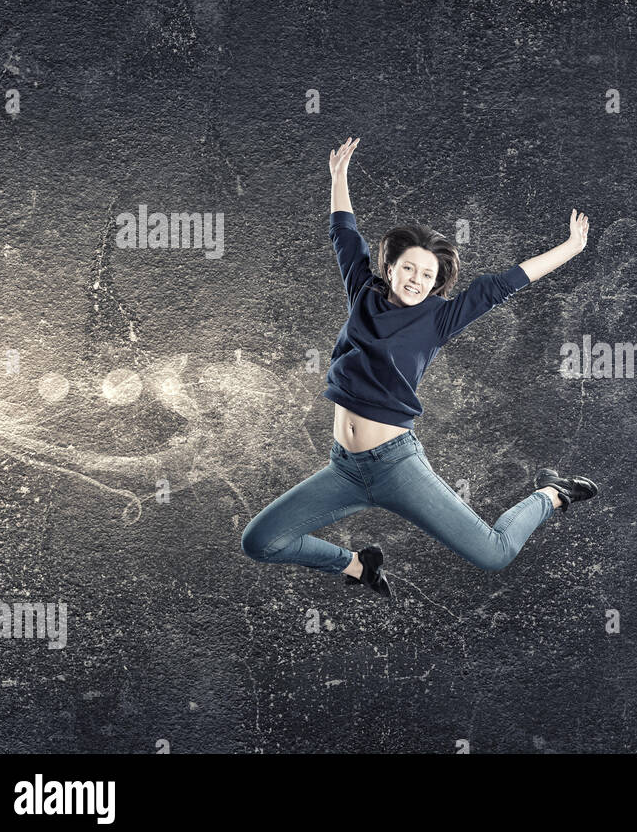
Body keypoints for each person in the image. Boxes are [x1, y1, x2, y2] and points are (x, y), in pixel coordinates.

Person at [241, 136, 599, 597]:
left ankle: (552, 494)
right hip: (344, 469)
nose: (417, 280)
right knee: (260, 541)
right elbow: (344, 233)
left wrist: (570, 248)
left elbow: (505, 283)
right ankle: (357, 567)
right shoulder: (363, 294)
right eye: (410, 269)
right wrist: (338, 177)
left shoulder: (439, 317)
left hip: (395, 467)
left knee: (494, 552)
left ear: (436, 282)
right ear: (390, 268)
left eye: (428, 275)